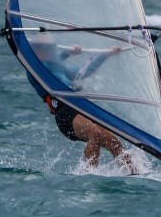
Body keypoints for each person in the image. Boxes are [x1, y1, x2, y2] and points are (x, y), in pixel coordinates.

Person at [26, 34, 137, 173]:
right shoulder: (33, 69)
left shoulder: (60, 69)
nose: (51, 50)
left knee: (114, 143)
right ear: (35, 50)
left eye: (52, 47)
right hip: (65, 112)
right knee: (94, 133)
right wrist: (66, 53)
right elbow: (40, 66)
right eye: (46, 47)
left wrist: (105, 55)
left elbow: (84, 72)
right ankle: (90, 176)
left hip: (81, 107)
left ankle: (135, 175)